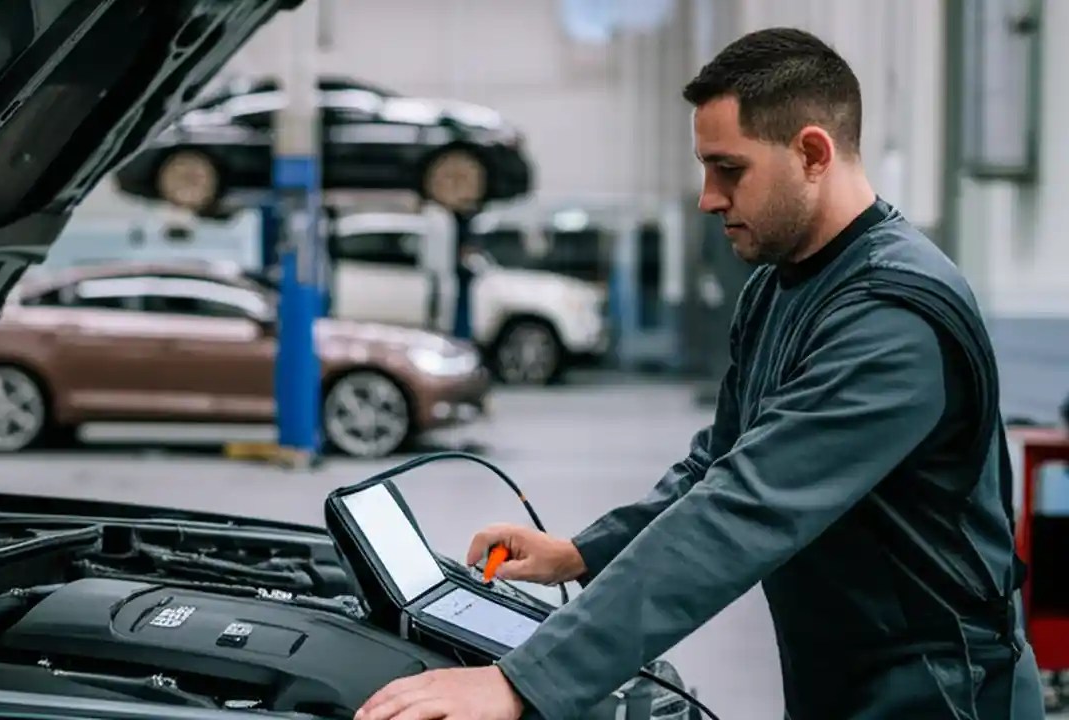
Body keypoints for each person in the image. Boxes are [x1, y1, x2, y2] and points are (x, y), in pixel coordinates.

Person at [355, 27, 1046, 720]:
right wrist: (582, 552)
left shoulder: (893, 320)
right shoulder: (778, 287)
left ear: (812, 154)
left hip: (940, 692)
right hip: (844, 679)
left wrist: (523, 682)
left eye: (729, 169)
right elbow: (716, 467)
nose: (707, 198)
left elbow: (742, 509)